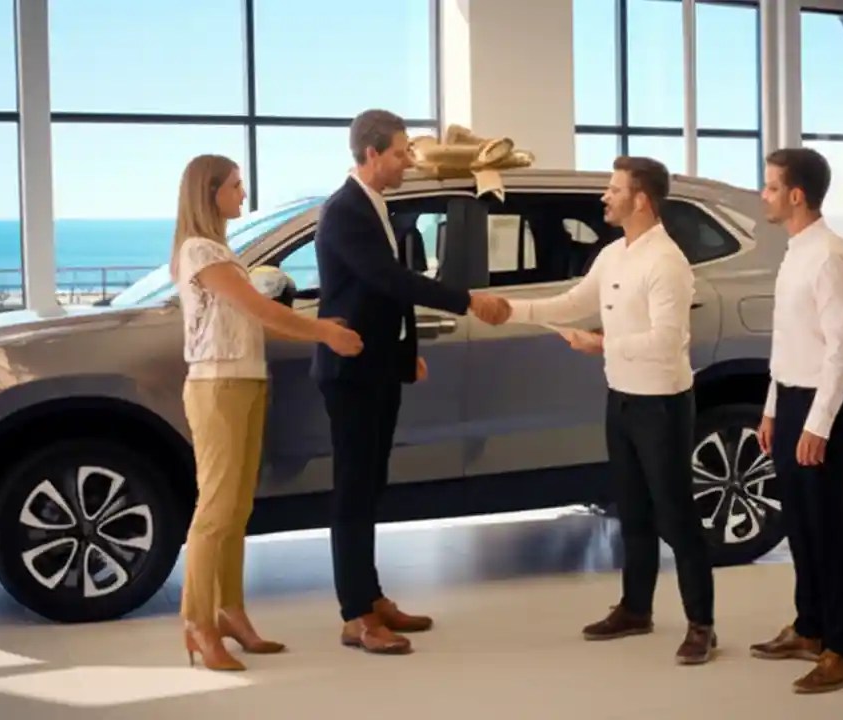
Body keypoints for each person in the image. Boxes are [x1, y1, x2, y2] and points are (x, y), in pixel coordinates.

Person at [498, 156, 719, 665]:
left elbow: (668, 341)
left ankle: (701, 625)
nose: (605, 197)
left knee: (676, 515)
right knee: (632, 510)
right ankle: (635, 609)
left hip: (661, 403)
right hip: (621, 396)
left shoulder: (667, 262)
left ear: (641, 200)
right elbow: (572, 302)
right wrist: (511, 310)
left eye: (614, 189)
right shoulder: (614, 254)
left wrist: (603, 343)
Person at [311, 109, 510, 655]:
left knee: (371, 485)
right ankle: (356, 616)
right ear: (372, 155)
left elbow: (386, 296)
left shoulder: (373, 205)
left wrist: (405, 356)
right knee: (354, 492)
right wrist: (468, 299)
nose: (407, 161)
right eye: (400, 152)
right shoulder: (345, 210)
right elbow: (389, 279)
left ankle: (371, 598)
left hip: (376, 367)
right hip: (350, 373)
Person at [172, 154, 364, 672]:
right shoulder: (198, 250)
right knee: (214, 511)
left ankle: (230, 611)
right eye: (235, 186)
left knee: (236, 509)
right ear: (209, 192)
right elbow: (258, 310)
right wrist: (326, 331)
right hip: (218, 386)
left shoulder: (220, 250)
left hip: (245, 380)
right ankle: (197, 622)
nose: (243, 193)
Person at [750, 147, 843, 694]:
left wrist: (817, 424)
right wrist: (775, 410)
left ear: (796, 195)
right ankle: (810, 628)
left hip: (826, 405)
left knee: (828, 530)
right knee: (798, 524)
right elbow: (788, 344)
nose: (764, 195)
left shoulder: (831, 256)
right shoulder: (795, 251)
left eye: (771, 187)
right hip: (793, 401)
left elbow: (842, 352)